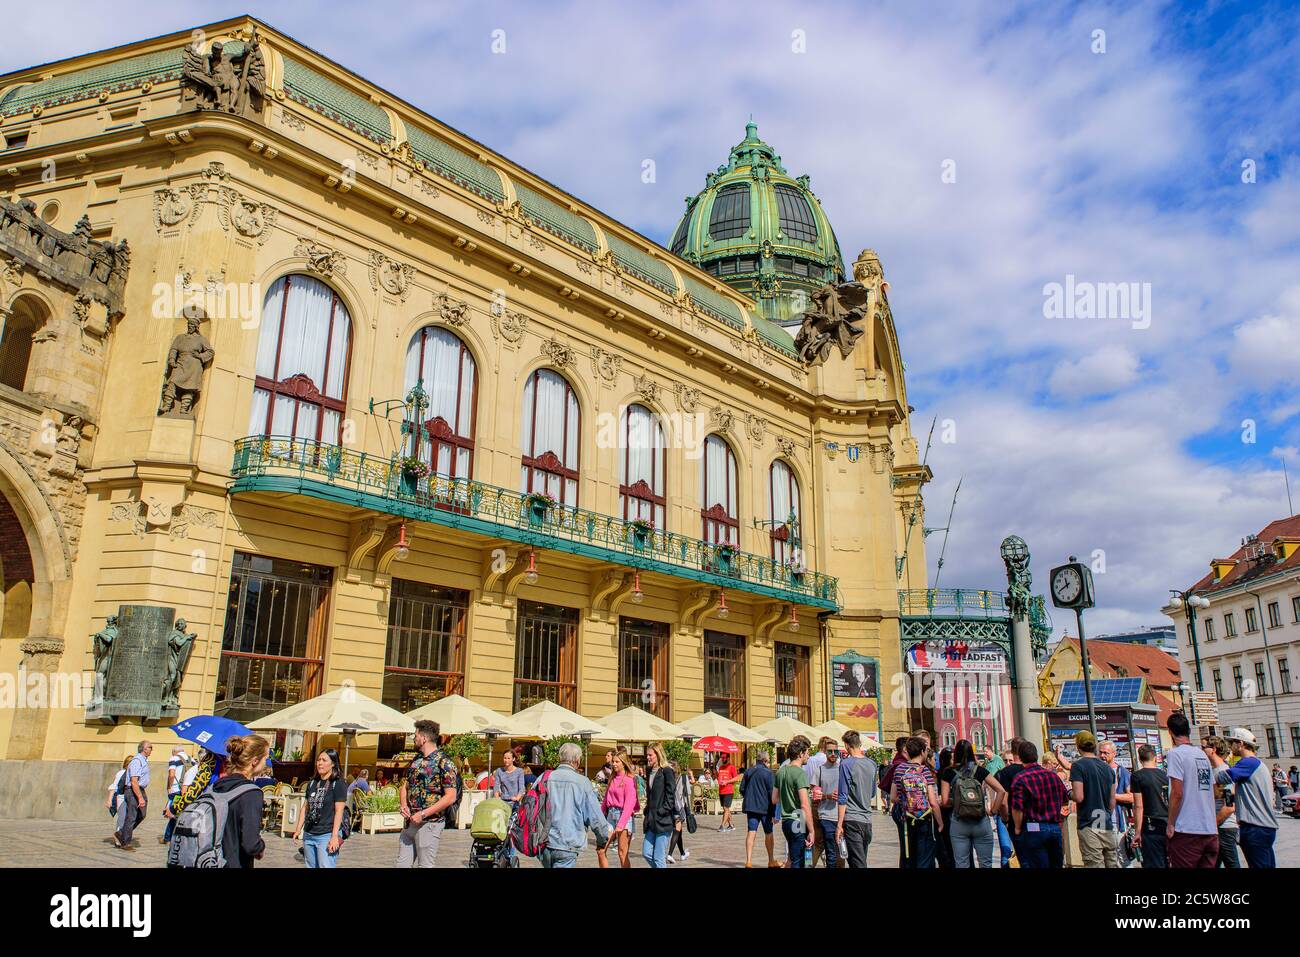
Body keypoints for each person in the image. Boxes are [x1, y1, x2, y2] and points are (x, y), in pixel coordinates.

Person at [1208, 728, 1279, 868]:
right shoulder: (1257, 764)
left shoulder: (1248, 763)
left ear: (1240, 743)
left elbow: (1222, 776)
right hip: (1263, 827)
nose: (1229, 746)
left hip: (1255, 827)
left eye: (1232, 742)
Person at [397, 719, 458, 868]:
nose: (414, 738)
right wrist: (404, 805)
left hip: (430, 824)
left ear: (424, 738)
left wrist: (423, 814)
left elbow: (450, 796)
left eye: (415, 735)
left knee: (425, 865)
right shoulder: (416, 760)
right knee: (401, 865)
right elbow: (404, 786)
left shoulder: (444, 763)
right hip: (410, 822)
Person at [540, 742, 610, 868]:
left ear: (559, 758)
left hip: (544, 842)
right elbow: (595, 817)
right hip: (567, 844)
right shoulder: (582, 782)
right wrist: (602, 839)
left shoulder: (544, 778)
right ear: (577, 760)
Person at [939, 739, 1006, 868]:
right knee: (985, 864)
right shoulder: (980, 771)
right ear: (972, 753)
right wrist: (992, 811)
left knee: (961, 863)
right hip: (981, 821)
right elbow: (1001, 791)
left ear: (956, 753)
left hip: (959, 823)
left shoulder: (948, 773)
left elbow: (945, 801)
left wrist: (958, 801)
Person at [1165, 711, 1218, 868]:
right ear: (1188, 730)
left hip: (1187, 828)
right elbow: (1214, 791)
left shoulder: (1175, 754)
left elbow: (1177, 793)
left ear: (1170, 732)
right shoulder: (1202, 755)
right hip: (1209, 829)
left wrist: (1170, 823)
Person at [1060, 731, 1117, 868]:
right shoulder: (1108, 769)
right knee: (1112, 863)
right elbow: (1112, 800)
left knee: (1094, 864)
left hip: (1088, 823)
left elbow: (1079, 797)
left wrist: (1068, 792)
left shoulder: (1078, 766)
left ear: (1078, 746)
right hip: (1105, 822)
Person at [1008, 740, 1069, 868]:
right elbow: (1065, 798)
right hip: (1054, 827)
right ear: (1036, 756)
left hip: (1033, 827)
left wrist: (1017, 828)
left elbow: (1017, 808)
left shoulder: (1020, 778)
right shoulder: (1053, 776)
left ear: (1020, 757)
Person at [214, 734, 270, 868]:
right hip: (234, 862)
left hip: (211, 860)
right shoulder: (251, 793)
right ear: (255, 761)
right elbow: (251, 843)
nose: (266, 763)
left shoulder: (218, 785)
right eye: (265, 759)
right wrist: (260, 847)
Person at [891, 736, 942, 868]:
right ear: (923, 751)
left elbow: (893, 797)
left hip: (906, 819)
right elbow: (933, 801)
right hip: (924, 819)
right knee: (924, 857)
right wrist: (940, 823)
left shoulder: (899, 769)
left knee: (908, 856)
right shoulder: (924, 770)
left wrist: (906, 801)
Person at [296, 748, 348, 868]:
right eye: (318, 760)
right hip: (309, 833)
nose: (320, 763)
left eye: (324, 760)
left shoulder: (338, 783)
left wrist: (334, 836)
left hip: (326, 834)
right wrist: (298, 829)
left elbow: (339, 811)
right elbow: (305, 807)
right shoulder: (313, 783)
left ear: (333, 764)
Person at [835, 730, 878, 868]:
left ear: (847, 745)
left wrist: (839, 825)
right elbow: (872, 793)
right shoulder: (872, 764)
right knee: (860, 860)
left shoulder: (846, 764)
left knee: (857, 863)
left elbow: (843, 796)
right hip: (867, 820)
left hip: (852, 819)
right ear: (859, 743)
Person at [776, 738, 815, 867]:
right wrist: (811, 830)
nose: (808, 756)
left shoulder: (781, 771)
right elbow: (804, 805)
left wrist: (787, 795)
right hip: (798, 821)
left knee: (794, 858)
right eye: (807, 753)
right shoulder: (800, 773)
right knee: (799, 861)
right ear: (800, 754)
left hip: (786, 822)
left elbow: (774, 799)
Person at [1130, 744, 1169, 868]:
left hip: (1150, 824)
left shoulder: (1137, 776)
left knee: (1153, 863)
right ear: (1155, 758)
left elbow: (1138, 806)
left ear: (1140, 759)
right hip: (1167, 823)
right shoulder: (1165, 775)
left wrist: (1137, 832)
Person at [641, 743, 679, 868]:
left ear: (658, 755)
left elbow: (670, 795)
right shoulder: (649, 770)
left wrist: (662, 811)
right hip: (651, 820)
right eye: (647, 755)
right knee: (646, 852)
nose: (648, 757)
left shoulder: (667, 771)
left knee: (658, 858)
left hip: (663, 820)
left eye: (650, 755)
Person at [597, 750, 637, 868]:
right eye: (613, 761)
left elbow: (629, 805)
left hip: (624, 817)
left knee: (622, 853)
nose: (614, 764)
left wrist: (621, 824)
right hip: (610, 816)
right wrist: (599, 814)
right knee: (601, 850)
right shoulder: (612, 778)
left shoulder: (629, 780)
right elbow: (605, 800)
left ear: (623, 763)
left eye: (617, 762)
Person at [1204, 737, 1240, 868]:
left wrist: (1213, 824)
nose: (1203, 750)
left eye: (1205, 748)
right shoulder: (1212, 771)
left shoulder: (1225, 771)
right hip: (1217, 826)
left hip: (1225, 827)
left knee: (1232, 863)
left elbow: (1230, 806)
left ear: (1213, 750)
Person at [740, 749, 778, 868]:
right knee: (769, 833)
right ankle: (771, 860)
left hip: (751, 807)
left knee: (751, 832)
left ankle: (749, 861)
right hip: (765, 808)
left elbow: (742, 789)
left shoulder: (748, 771)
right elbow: (772, 793)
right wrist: (774, 812)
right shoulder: (768, 773)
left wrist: (750, 796)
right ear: (766, 760)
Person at [994, 736, 1027, 867]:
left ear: (1013, 751)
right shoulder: (1033, 769)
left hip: (1014, 820)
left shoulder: (1005, 773)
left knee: (1018, 855)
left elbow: (1003, 801)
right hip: (1035, 821)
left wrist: (1006, 819)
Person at [1098, 740, 1133, 863]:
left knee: (1121, 856)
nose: (1102, 755)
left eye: (1106, 753)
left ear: (1114, 754)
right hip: (1099, 819)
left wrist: (1112, 795)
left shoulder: (1121, 772)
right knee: (1104, 857)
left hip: (1117, 821)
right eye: (1100, 752)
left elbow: (1131, 797)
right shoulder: (1096, 771)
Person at [810, 738, 843, 867]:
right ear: (825, 751)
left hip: (842, 816)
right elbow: (815, 796)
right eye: (830, 751)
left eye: (836, 751)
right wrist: (828, 795)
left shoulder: (842, 769)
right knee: (831, 851)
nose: (833, 754)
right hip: (826, 816)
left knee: (840, 851)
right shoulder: (820, 770)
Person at [115, 740, 153, 851]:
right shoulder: (137, 761)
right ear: (144, 749)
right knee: (131, 816)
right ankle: (125, 842)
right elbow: (134, 781)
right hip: (133, 790)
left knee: (141, 815)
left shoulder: (143, 760)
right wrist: (140, 797)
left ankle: (121, 833)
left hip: (139, 789)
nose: (152, 749)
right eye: (150, 747)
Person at [880, 735, 909, 867]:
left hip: (898, 808)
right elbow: (893, 796)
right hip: (904, 808)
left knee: (906, 847)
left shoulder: (897, 763)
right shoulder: (902, 766)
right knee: (908, 848)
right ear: (904, 749)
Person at [159, 747, 190, 844]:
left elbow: (171, 774)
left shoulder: (174, 758)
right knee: (182, 814)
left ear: (174, 752)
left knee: (172, 814)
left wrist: (169, 786)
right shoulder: (192, 760)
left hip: (176, 790)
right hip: (188, 790)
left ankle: (168, 839)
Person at [667, 760, 691, 863]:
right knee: (677, 830)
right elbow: (688, 793)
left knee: (679, 831)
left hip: (669, 807)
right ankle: (669, 854)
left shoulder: (667, 778)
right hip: (679, 807)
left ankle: (682, 853)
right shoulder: (684, 778)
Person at [716, 752, 741, 832]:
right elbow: (719, 777)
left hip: (729, 790)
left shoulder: (732, 767)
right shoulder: (720, 768)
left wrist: (727, 781)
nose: (723, 759)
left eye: (724, 757)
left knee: (726, 808)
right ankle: (731, 825)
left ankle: (722, 825)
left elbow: (736, 778)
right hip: (721, 790)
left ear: (728, 758)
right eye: (722, 758)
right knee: (726, 809)